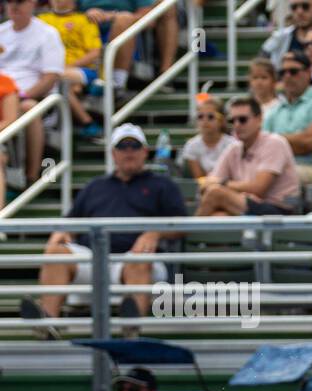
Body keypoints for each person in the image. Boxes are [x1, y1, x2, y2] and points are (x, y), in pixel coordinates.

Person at [24, 124, 183, 335]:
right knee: (56, 252)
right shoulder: (94, 187)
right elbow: (70, 222)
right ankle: (48, 324)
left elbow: (181, 224)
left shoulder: (163, 185)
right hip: (96, 258)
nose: (129, 151)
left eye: (134, 146)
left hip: (139, 260)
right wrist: (61, 234)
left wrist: (155, 232)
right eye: (122, 146)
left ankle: (131, 331)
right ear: (113, 153)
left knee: (139, 259)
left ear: (145, 151)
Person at [198, 97, 303, 215]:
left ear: (259, 119)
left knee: (216, 193)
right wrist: (216, 184)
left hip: (279, 210)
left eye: (242, 120)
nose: (237, 125)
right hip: (248, 205)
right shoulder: (234, 148)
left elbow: (258, 189)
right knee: (219, 216)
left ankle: (186, 232)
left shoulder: (275, 143)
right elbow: (206, 185)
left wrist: (222, 183)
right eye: (232, 120)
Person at [0, 0, 63, 187]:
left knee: (29, 108)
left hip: (33, 97)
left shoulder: (47, 34)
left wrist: (19, 97)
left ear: (32, 3)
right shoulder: (1, 31)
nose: (14, 6)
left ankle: (31, 175)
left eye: (20, 1)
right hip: (3, 94)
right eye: (10, 1)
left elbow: (51, 77)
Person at [265, 50, 312, 178]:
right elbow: (261, 146)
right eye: (282, 73)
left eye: (293, 71)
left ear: (308, 73)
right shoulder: (274, 110)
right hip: (277, 170)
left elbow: (308, 142)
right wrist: (295, 139)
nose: (287, 76)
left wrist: (273, 140)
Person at [39, 0, 101, 137]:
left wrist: (66, 67)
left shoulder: (84, 19)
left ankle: (80, 122)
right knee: (66, 86)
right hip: (57, 75)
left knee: (54, 77)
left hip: (83, 70)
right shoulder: (40, 21)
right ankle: (87, 121)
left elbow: (95, 52)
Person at [182, 95, 239, 179]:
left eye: (211, 117)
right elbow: (200, 179)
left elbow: (233, 176)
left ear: (222, 120)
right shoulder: (191, 145)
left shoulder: (233, 144)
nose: (205, 121)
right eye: (200, 116)